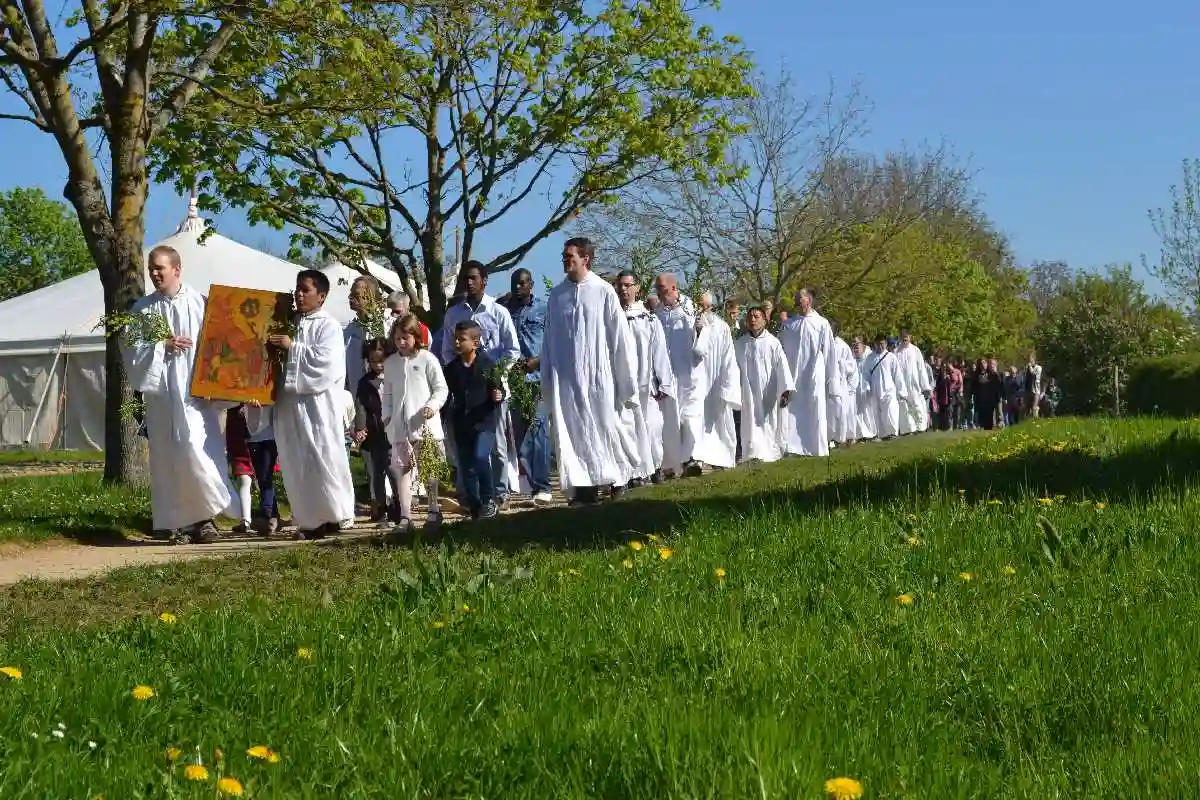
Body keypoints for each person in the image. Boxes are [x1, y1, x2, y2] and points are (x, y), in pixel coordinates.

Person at [122, 245, 233, 544]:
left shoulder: (201, 304)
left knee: (196, 449)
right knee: (169, 457)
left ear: (177, 269)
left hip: (194, 397)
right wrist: (161, 347)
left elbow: (221, 348)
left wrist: (218, 388)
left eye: (160, 268)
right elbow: (130, 351)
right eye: (151, 269)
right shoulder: (142, 310)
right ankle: (178, 521)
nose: (155, 273)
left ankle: (206, 518)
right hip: (162, 399)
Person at [542, 238, 640, 503]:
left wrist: (626, 383)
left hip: (598, 378)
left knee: (605, 427)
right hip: (567, 381)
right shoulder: (557, 295)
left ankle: (617, 480)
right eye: (564, 255)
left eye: (570, 255)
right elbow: (549, 340)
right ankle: (583, 486)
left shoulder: (603, 291)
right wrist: (548, 380)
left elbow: (620, 339)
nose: (565, 259)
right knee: (574, 431)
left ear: (586, 259)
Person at [268, 269, 357, 539]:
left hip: (318, 406)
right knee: (297, 459)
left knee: (323, 457)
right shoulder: (288, 322)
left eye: (306, 289)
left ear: (321, 296)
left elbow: (326, 364)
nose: (299, 294)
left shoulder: (327, 325)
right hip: (290, 404)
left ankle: (334, 515)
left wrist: (292, 346)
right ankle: (309, 520)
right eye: (297, 288)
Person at [439, 260, 521, 507]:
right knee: (465, 443)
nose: (469, 282)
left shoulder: (498, 312)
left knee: (495, 443)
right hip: (464, 389)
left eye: (474, 278)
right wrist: (461, 371)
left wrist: (493, 373)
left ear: (485, 280)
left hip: (492, 389)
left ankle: (499, 490)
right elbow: (446, 350)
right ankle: (470, 494)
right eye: (466, 278)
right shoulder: (454, 313)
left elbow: (512, 350)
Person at [380, 314, 449, 532]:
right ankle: (405, 516)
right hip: (400, 427)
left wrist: (432, 406)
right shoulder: (390, 363)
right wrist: (387, 416)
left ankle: (434, 510)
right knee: (402, 470)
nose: (401, 342)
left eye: (406, 338)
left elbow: (441, 388)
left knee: (429, 469)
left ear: (416, 337)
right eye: (398, 338)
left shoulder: (427, 359)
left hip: (425, 426)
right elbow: (388, 394)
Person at [499, 268, 553, 506]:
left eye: (522, 284)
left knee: (538, 430)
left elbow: (553, 341)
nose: (518, 288)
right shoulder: (505, 310)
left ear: (531, 284)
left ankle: (543, 486)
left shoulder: (544, 308)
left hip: (536, 378)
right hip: (513, 381)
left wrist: (537, 360)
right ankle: (532, 484)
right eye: (515, 284)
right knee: (520, 436)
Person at [615, 270, 674, 485]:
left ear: (637, 287)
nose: (623, 289)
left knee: (651, 427)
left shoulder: (649, 319)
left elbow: (659, 352)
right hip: (622, 386)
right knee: (628, 429)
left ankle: (656, 466)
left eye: (627, 285)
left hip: (646, 383)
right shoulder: (613, 319)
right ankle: (634, 473)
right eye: (620, 285)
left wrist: (663, 382)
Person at [444, 320, 506, 519]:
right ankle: (475, 504)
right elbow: (445, 394)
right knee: (466, 465)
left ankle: (489, 499)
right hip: (461, 423)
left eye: (461, 339)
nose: (456, 343)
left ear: (475, 343)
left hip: (484, 421)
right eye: (455, 338)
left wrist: (499, 395)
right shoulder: (452, 368)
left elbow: (499, 389)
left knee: (480, 458)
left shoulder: (487, 364)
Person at [653, 273, 701, 477]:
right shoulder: (657, 313)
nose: (659, 292)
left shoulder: (690, 309)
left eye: (662, 288)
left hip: (688, 372)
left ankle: (690, 459)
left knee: (688, 417)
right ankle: (671, 463)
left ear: (674, 288)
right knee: (669, 418)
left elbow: (701, 335)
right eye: (657, 288)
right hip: (667, 373)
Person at [778, 287, 835, 457]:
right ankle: (793, 447)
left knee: (815, 406)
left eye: (799, 298)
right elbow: (781, 350)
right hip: (793, 373)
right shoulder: (789, 324)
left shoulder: (821, 323)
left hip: (813, 373)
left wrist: (831, 379)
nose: (796, 301)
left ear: (808, 300)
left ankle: (816, 447)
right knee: (794, 409)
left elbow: (830, 352)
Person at [690, 291, 741, 471]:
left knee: (717, 421)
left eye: (704, 306)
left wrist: (728, 386)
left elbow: (729, 359)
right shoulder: (688, 324)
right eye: (698, 305)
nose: (701, 310)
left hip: (715, 383)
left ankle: (720, 457)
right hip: (693, 383)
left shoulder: (721, 327)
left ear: (711, 307)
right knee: (693, 420)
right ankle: (695, 458)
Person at [734, 305, 793, 463]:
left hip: (768, 391)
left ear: (764, 320)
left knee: (767, 422)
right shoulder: (740, 344)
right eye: (750, 317)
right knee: (750, 422)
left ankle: (769, 452)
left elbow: (782, 366)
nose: (753, 320)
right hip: (747, 392)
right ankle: (753, 453)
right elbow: (733, 368)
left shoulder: (772, 343)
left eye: (756, 316)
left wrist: (786, 390)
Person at [354, 338, 398, 527]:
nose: (378, 365)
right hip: (376, 434)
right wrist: (360, 428)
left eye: (382, 360)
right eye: (373, 361)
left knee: (393, 471)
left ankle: (399, 504)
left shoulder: (396, 378)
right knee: (377, 473)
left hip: (394, 433)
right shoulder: (365, 383)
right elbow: (361, 407)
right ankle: (381, 507)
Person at [863, 333, 905, 440]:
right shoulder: (870, 358)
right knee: (877, 413)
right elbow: (865, 375)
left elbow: (897, 375)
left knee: (890, 411)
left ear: (886, 344)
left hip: (888, 389)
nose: (880, 346)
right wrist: (867, 387)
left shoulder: (891, 357)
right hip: (875, 390)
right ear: (874, 344)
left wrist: (901, 391)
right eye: (878, 344)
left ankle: (892, 433)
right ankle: (882, 435)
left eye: (882, 344)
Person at [828, 321, 859, 448]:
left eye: (832, 330)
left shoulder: (842, 346)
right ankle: (828, 437)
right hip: (825, 382)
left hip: (839, 383)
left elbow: (851, 366)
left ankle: (840, 437)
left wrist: (841, 364)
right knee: (828, 412)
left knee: (839, 409)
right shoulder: (824, 343)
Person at [895, 328, 932, 434]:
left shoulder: (915, 350)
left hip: (914, 383)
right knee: (906, 407)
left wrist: (925, 386)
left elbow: (921, 368)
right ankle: (910, 428)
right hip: (902, 384)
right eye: (903, 336)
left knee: (917, 405)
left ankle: (921, 427)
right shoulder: (897, 352)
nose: (905, 338)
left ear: (910, 337)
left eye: (907, 336)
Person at [226, 406, 255, 533]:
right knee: (248, 482)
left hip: (240, 442)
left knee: (245, 481)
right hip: (252, 441)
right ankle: (247, 520)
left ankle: (246, 520)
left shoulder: (232, 406)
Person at [851, 336, 877, 441]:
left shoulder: (869, 358)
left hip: (866, 389)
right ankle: (860, 434)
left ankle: (870, 433)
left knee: (868, 411)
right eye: (854, 347)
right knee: (856, 411)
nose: (856, 350)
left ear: (863, 346)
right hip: (856, 390)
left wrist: (868, 386)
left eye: (858, 347)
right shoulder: (852, 360)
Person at [1024, 352, 1043, 420]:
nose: (1029, 362)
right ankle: (1028, 421)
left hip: (1035, 390)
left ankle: (1036, 420)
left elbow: (1033, 374)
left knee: (1034, 407)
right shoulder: (1028, 368)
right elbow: (1025, 378)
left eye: (1030, 360)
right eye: (1028, 360)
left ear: (1034, 359)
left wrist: (1029, 367)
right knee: (1027, 408)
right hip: (1028, 390)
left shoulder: (1038, 368)